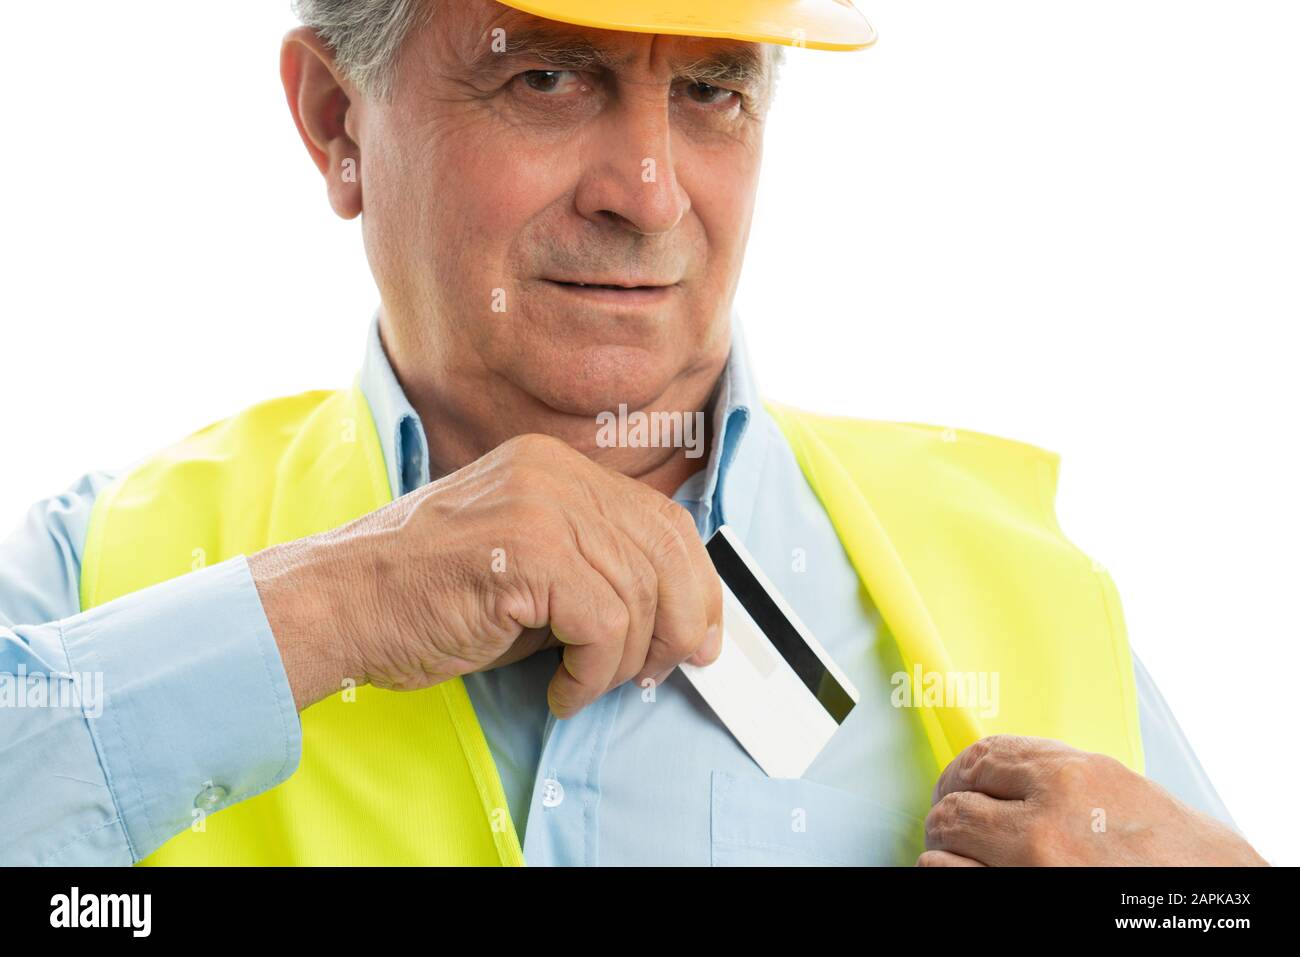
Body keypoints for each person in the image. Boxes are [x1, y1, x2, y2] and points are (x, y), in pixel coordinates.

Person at [0, 0, 1267, 866]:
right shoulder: (104, 564)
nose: (648, 192)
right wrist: (338, 607)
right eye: (547, 77)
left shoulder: (1024, 592)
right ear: (337, 121)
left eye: (714, 89)